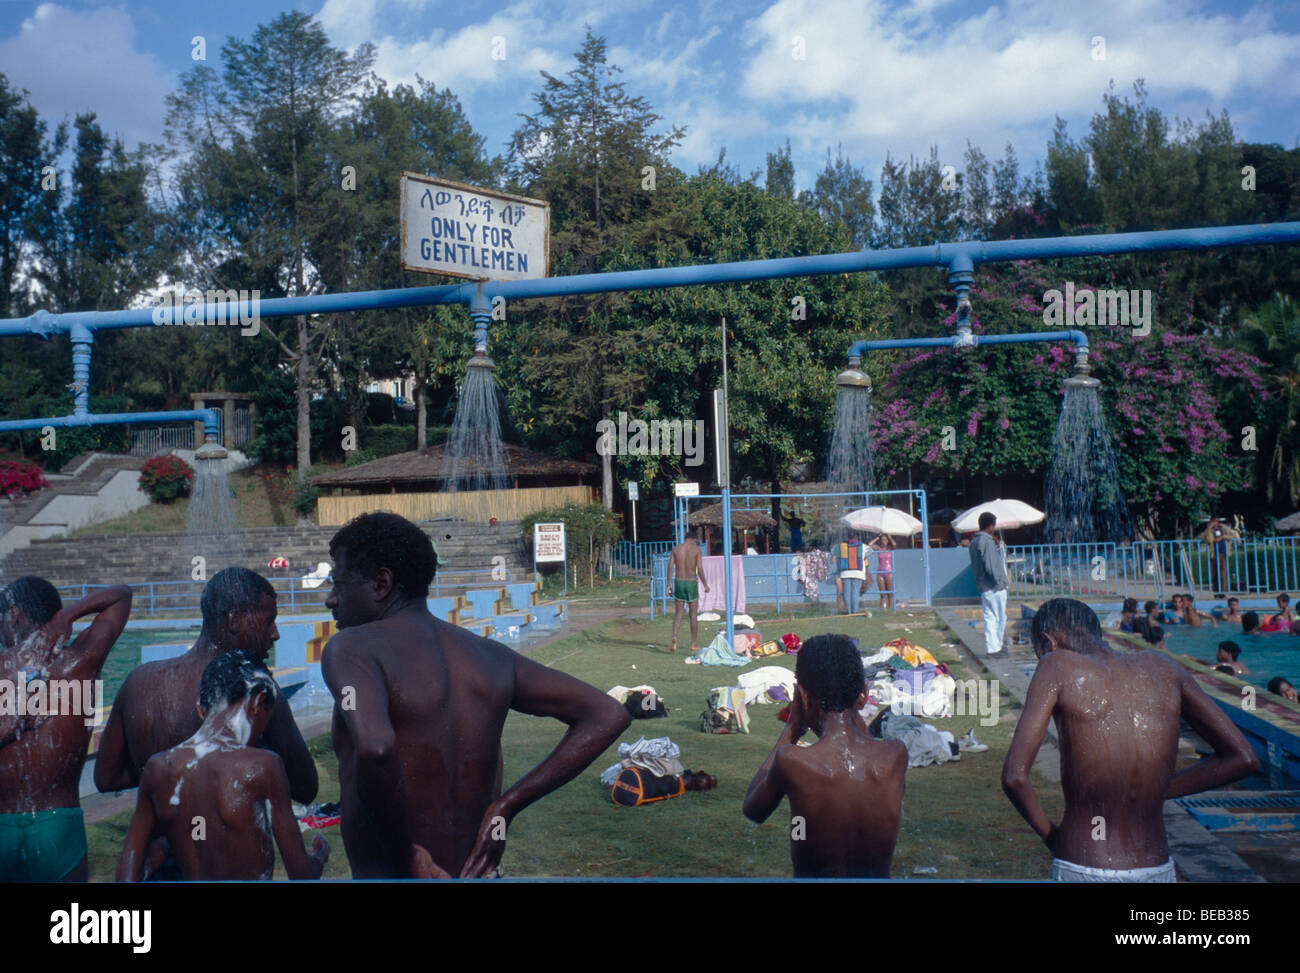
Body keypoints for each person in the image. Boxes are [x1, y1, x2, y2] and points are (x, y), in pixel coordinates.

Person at [322, 512, 631, 878]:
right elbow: (608, 713)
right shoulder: (490, 657)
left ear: (381, 584)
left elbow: (375, 747)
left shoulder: (351, 649)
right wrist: (505, 808)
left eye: (338, 584)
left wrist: (406, 855)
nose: (330, 600)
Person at [1002, 598, 1260, 882]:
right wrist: (1160, 788)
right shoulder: (1165, 667)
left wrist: (1052, 839)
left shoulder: (1056, 665)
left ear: (1047, 641)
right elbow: (1244, 758)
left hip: (1084, 861)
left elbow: (1015, 777)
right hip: (1157, 865)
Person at [96, 567, 317, 804]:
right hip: (226, 839)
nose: (275, 635)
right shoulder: (253, 689)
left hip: (157, 838)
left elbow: (107, 778)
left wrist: (164, 773)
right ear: (234, 621)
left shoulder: (138, 681)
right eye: (269, 621)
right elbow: (305, 788)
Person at [117, 651, 330, 881]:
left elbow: (127, 877)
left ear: (201, 708)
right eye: (265, 720)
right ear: (258, 702)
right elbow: (301, 873)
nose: (261, 733)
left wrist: (162, 851)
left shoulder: (157, 768)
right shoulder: (264, 766)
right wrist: (319, 855)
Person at [0, 578, 132, 882]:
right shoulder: (79, 663)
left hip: (2, 826)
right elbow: (121, 595)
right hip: (59, 827)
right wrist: (67, 616)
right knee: (67, 927)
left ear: (14, 614)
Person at [742, 634, 906, 878]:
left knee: (799, 828)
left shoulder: (792, 761)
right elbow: (863, 744)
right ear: (864, 692)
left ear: (803, 697)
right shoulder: (894, 756)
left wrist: (792, 729)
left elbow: (753, 810)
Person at [969, 512, 1009, 655]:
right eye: (994, 525)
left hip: (983, 586)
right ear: (991, 526)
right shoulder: (987, 542)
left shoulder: (974, 542)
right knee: (999, 617)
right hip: (994, 587)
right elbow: (991, 566)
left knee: (989, 617)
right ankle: (997, 647)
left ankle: (991, 648)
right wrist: (1000, 582)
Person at [668, 528, 711, 653]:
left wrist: (668, 585)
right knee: (693, 615)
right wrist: (705, 584)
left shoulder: (676, 549)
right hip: (691, 582)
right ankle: (693, 643)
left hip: (679, 582)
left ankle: (674, 637)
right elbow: (700, 568)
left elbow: (670, 566)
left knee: (678, 613)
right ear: (694, 539)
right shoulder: (696, 550)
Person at [1199, 515, 1239, 597]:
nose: (1215, 523)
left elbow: (1233, 535)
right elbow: (1209, 540)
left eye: (1217, 521)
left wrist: (1222, 537)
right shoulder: (1207, 530)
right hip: (1213, 554)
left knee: (1223, 573)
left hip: (1223, 553)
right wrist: (1209, 529)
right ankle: (1216, 592)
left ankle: (1223, 592)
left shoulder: (1223, 528)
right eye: (1213, 521)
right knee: (1214, 574)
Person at [833, 534, 871, 614]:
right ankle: (855, 611)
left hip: (845, 572)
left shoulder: (840, 546)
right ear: (856, 537)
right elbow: (870, 551)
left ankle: (848, 611)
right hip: (858, 573)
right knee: (855, 592)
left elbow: (833, 552)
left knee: (846, 592)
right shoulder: (862, 546)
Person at [869, 533, 896, 612]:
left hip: (889, 572)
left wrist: (890, 537)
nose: (883, 541)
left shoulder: (890, 549)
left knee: (890, 594)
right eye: (882, 540)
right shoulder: (879, 549)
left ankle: (891, 610)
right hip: (880, 572)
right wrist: (877, 538)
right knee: (882, 595)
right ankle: (882, 610)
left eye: (885, 540)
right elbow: (870, 545)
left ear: (887, 541)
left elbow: (894, 544)